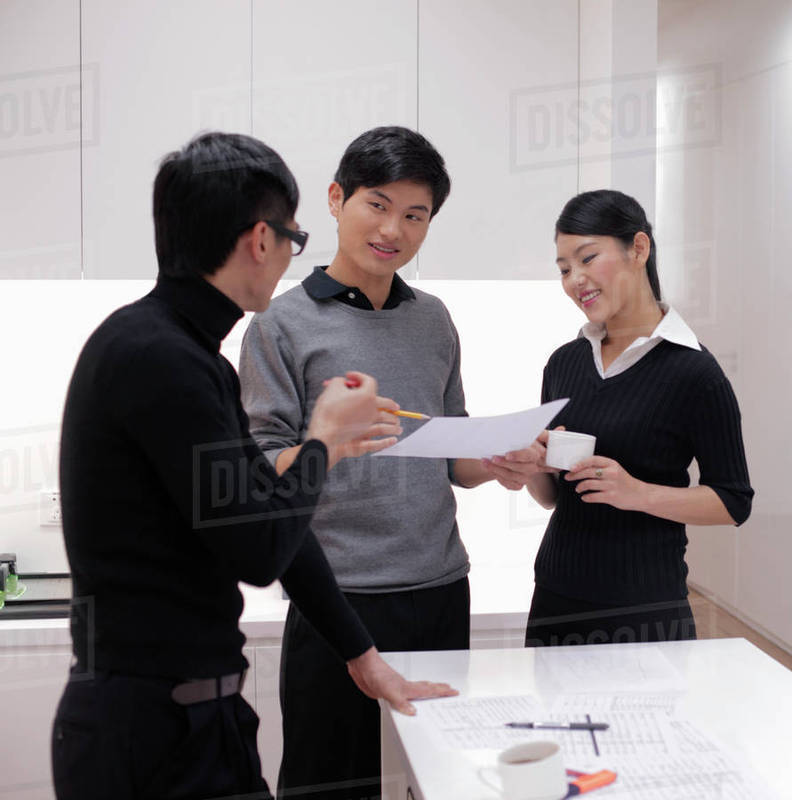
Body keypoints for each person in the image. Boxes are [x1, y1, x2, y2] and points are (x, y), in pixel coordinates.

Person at [51, 131, 455, 800]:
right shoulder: (160, 358)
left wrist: (363, 659)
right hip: (147, 732)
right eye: (292, 239)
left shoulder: (185, 353)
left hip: (196, 717)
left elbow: (275, 527)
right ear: (261, 240)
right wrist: (322, 440)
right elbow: (259, 546)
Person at [239, 125, 540, 800]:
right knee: (327, 782)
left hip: (437, 587)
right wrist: (326, 441)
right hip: (333, 597)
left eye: (415, 215)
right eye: (377, 204)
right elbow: (261, 473)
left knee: (441, 776)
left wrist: (492, 460)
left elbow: (450, 454)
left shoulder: (434, 319)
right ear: (336, 199)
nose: (393, 230)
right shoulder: (277, 326)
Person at [481, 189, 754, 647]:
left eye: (588, 258)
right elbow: (553, 498)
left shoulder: (694, 372)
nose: (575, 280)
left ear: (639, 249)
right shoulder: (563, 362)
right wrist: (531, 466)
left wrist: (638, 493)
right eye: (565, 269)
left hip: (646, 609)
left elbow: (733, 502)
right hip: (556, 598)